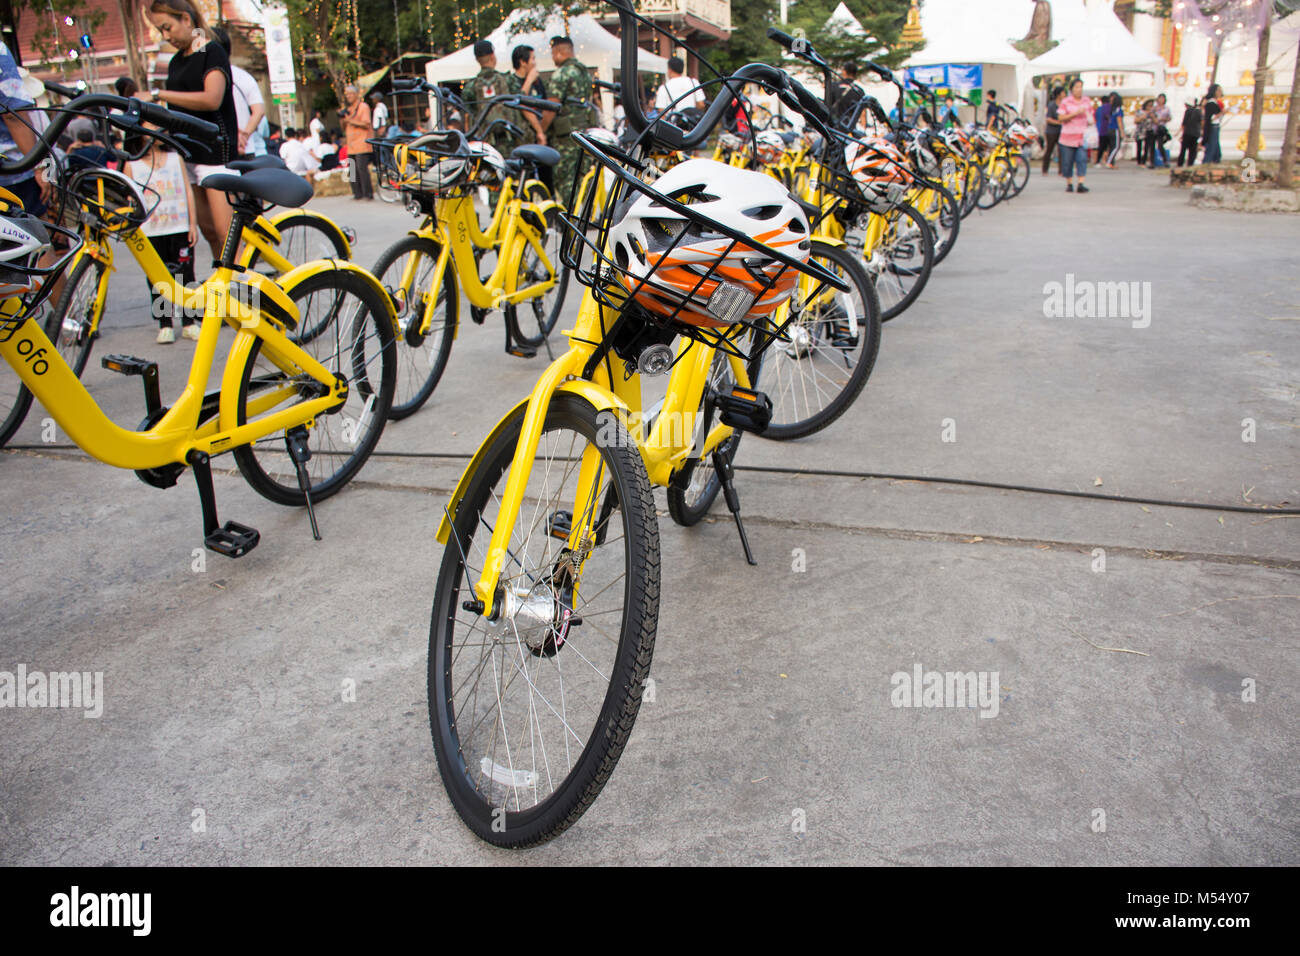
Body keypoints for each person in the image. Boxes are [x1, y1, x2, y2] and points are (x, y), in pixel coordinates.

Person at [145, 0, 239, 260]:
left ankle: (245, 289)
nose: (166, 36)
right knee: (209, 231)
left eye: (167, 27)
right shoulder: (176, 62)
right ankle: (226, 289)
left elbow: (212, 98)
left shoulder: (212, 51)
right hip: (187, 153)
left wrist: (158, 94)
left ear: (186, 19)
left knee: (227, 234)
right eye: (160, 30)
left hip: (215, 153)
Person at [127, 127, 198, 343]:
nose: (156, 130)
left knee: (185, 275)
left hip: (179, 226)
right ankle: (165, 324)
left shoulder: (175, 158)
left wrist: (192, 223)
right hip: (150, 230)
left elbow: (187, 190)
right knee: (157, 279)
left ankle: (189, 322)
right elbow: (131, 199)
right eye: (149, 125)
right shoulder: (132, 165)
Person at [547, 35, 597, 201]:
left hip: (565, 138)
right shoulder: (584, 73)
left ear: (560, 52)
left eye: (553, 53)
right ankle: (584, 216)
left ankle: (571, 220)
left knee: (566, 180)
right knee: (582, 176)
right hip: (585, 132)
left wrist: (541, 130)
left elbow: (551, 107)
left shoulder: (561, 74)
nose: (553, 58)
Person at [209, 26, 266, 160]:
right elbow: (259, 111)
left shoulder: (204, 79)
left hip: (220, 151)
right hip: (245, 148)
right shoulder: (243, 76)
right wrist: (245, 135)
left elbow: (259, 111)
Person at [463, 40, 515, 155]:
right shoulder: (508, 80)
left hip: (485, 144)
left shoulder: (470, 87)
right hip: (509, 139)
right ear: (493, 56)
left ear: (477, 60)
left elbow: (468, 116)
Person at [1056, 78, 1092, 193]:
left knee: (1082, 159)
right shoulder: (1066, 101)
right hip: (1067, 137)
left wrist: (1089, 118)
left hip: (1082, 137)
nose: (1079, 89)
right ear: (1071, 89)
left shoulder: (1086, 101)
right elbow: (1060, 118)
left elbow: (1091, 116)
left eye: (1081, 87)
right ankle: (1069, 183)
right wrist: (1075, 113)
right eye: (1076, 87)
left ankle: (1081, 183)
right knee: (1067, 161)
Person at [507, 44, 547, 146]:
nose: (535, 63)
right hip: (522, 137)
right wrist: (529, 80)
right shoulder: (511, 81)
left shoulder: (537, 82)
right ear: (523, 62)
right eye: (532, 59)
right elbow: (522, 103)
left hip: (539, 134)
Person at [340, 83, 373, 200]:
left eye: (350, 94)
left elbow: (366, 123)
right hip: (351, 144)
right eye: (347, 94)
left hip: (362, 143)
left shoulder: (363, 107)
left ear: (356, 94)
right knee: (352, 169)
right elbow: (344, 127)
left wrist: (350, 120)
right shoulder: (349, 109)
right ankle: (357, 193)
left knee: (361, 168)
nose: (348, 96)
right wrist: (343, 119)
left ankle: (367, 194)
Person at [1042, 85, 1065, 175]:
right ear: (1058, 94)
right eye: (1063, 93)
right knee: (1049, 150)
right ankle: (1045, 169)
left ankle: (1061, 170)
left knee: (1061, 151)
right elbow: (1048, 118)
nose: (1064, 94)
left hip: (1061, 131)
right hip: (1051, 131)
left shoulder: (1064, 105)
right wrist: (1059, 122)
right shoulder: (1052, 104)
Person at [1201, 83, 1224, 164]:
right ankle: (1207, 162)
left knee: (1216, 145)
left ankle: (1216, 159)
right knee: (1212, 145)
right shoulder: (1210, 103)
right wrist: (1222, 113)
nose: (1220, 92)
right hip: (1213, 127)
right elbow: (1211, 118)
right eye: (1218, 90)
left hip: (1216, 126)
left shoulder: (1215, 102)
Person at [1176, 97, 1201, 167]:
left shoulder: (1188, 111)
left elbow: (1184, 123)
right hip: (1196, 133)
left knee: (1183, 150)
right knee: (1192, 150)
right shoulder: (1199, 111)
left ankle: (1180, 163)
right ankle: (1190, 164)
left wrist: (1178, 133)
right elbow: (1201, 122)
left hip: (1187, 133)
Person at [1151, 93, 1171, 168]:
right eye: (1160, 98)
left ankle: (1165, 161)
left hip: (1161, 128)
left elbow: (1169, 118)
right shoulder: (1154, 108)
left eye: (1163, 98)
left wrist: (1163, 119)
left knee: (1160, 145)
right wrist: (1154, 119)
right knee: (1152, 146)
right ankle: (1152, 162)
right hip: (1154, 128)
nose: (1161, 100)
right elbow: (1151, 115)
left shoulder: (1166, 108)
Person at [1134, 98, 1152, 166]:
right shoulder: (1139, 111)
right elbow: (1135, 121)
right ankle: (1139, 161)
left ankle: (1143, 161)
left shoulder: (1152, 113)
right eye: (1149, 105)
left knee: (1146, 147)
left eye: (1151, 106)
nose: (1149, 107)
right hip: (1140, 131)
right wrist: (1142, 117)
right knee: (1139, 147)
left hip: (1148, 131)